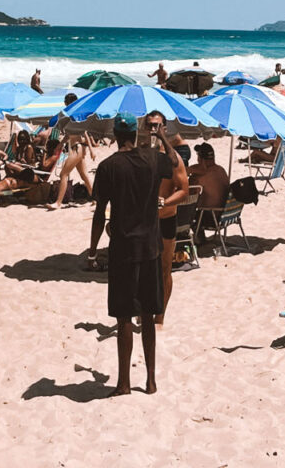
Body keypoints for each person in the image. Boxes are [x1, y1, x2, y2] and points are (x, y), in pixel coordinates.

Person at [86, 114, 165, 395]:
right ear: (137, 132)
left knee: (123, 320)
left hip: (123, 250)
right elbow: (177, 164)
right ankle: (151, 380)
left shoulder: (108, 167)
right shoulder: (152, 159)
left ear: (115, 133)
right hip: (152, 248)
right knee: (148, 316)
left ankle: (123, 383)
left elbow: (99, 213)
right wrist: (159, 136)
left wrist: (93, 249)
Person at [140, 111, 189, 323]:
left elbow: (183, 190)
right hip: (143, 221)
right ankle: (144, 313)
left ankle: (159, 317)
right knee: (142, 269)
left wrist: (165, 202)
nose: (153, 130)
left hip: (166, 218)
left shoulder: (174, 158)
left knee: (164, 269)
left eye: (157, 126)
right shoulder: (139, 154)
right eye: (150, 126)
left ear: (165, 128)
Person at [188, 142, 229, 211]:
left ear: (201, 159)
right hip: (221, 212)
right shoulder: (221, 170)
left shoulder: (199, 178)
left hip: (206, 215)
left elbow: (189, 199)